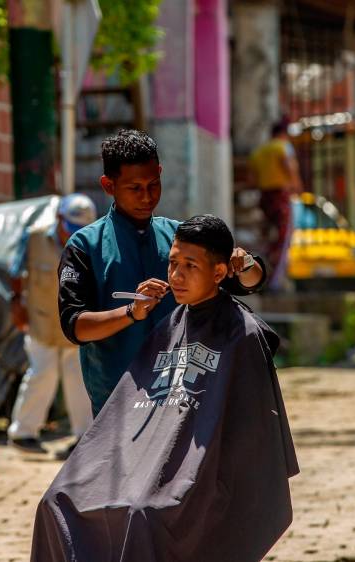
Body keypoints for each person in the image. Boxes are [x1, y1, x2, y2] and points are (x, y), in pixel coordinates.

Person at [33, 215, 299, 561]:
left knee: (142, 513)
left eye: (190, 265)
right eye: (173, 264)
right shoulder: (168, 326)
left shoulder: (242, 334)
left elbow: (246, 439)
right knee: (56, 501)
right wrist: (132, 311)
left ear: (219, 273)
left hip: (198, 478)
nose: (176, 275)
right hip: (149, 463)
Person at [58, 129, 267, 417]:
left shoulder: (182, 238)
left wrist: (245, 265)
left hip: (183, 399)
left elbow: (248, 282)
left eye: (153, 184)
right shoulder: (85, 246)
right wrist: (131, 312)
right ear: (108, 185)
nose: (147, 196)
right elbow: (75, 326)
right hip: (117, 403)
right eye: (135, 188)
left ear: (160, 172)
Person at [7, 194, 96, 456]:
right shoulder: (33, 238)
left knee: (78, 379)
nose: (73, 235)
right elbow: (15, 272)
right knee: (41, 375)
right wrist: (17, 305)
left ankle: (84, 439)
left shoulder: (93, 242)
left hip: (77, 323)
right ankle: (23, 435)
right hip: (41, 321)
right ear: (59, 218)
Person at [247, 117, 303, 289]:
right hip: (281, 197)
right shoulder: (283, 148)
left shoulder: (259, 152)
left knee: (268, 236)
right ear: (284, 133)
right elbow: (289, 166)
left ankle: (263, 273)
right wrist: (297, 185)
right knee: (283, 239)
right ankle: (275, 281)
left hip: (265, 198)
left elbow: (252, 181)